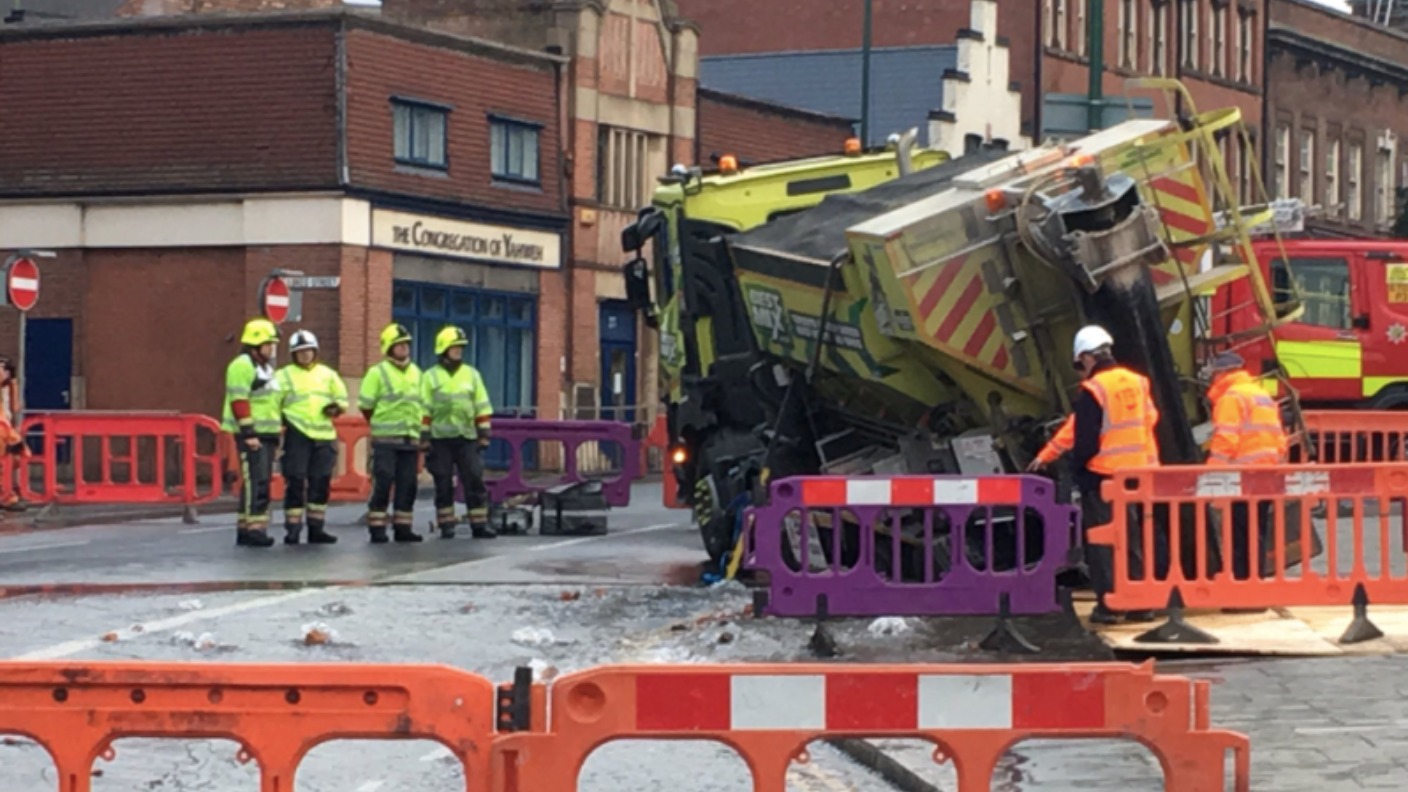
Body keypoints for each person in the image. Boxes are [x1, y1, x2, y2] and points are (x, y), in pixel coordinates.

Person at [1028, 324, 1159, 624]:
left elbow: (1085, 438)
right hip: (1137, 475)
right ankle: (1141, 605)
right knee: (1131, 540)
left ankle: (1110, 607)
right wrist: (1048, 453)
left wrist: (1076, 470)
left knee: (1102, 544)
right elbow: (1150, 419)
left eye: (1079, 364)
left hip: (1103, 477)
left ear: (1087, 357)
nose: (1080, 371)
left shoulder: (1094, 390)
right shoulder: (1138, 382)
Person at [1205, 351, 1289, 579]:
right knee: (1256, 532)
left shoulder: (1231, 398)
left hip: (1242, 478)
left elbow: (1226, 439)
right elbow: (1280, 438)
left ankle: (1242, 586)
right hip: (1266, 474)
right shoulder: (1261, 394)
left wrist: (1211, 478)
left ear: (1222, 373)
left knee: (1239, 536)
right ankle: (1255, 582)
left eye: (1214, 374)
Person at [422, 326, 496, 540]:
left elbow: (481, 406)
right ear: (443, 349)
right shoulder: (430, 377)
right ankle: (446, 524)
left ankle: (479, 524)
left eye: (460, 348)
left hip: (467, 438)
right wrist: (424, 438)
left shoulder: (472, 375)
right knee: (443, 481)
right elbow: (424, 410)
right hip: (440, 440)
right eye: (454, 348)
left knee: (474, 479)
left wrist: (484, 434)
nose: (458, 351)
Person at [276, 330, 349, 546]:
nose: (305, 355)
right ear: (293, 354)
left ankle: (316, 528)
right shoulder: (283, 375)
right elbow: (273, 402)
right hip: (297, 434)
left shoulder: (328, 374)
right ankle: (293, 529)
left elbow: (342, 397)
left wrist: (336, 408)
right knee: (296, 481)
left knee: (320, 482)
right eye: (300, 352)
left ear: (315, 351)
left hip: (323, 436)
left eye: (308, 351)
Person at [359, 323, 426, 544]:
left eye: (406, 344)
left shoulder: (417, 373)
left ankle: (403, 527)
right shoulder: (376, 373)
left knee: (408, 484)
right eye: (399, 345)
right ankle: (377, 527)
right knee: (383, 481)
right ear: (389, 348)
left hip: (410, 439)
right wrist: (380, 425)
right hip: (386, 441)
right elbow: (366, 405)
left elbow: (423, 406)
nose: (404, 348)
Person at [222, 318, 283, 548]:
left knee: (261, 481)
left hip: (265, 433)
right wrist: (249, 433)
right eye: (269, 344)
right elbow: (239, 401)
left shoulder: (265, 369)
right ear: (255, 344)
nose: (272, 349)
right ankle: (253, 528)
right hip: (252, 434)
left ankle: (249, 526)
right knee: (255, 482)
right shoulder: (242, 365)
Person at [0, 358, 26, 513]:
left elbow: (15, 407)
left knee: (16, 456)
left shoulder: (7, 388)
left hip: (5, 428)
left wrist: (13, 384)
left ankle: (8, 492)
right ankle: (7, 496)